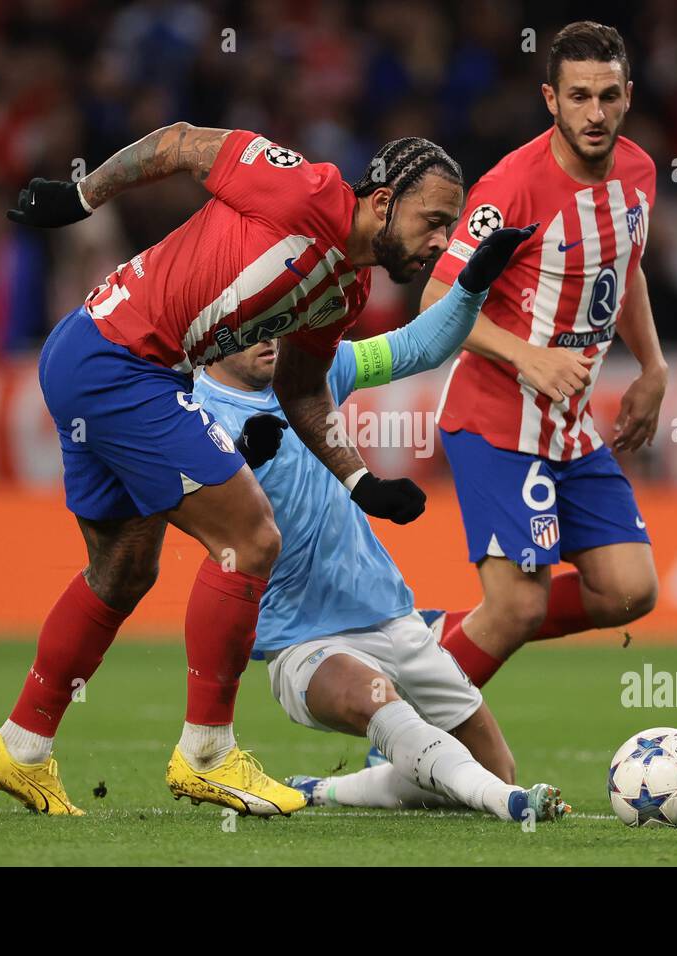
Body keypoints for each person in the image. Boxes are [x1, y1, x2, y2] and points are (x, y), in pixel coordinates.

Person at [0, 126, 466, 816]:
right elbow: (179, 143)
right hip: (119, 364)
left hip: (105, 362)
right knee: (252, 538)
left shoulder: (343, 295)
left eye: (452, 228)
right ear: (382, 202)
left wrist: (361, 480)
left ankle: (21, 745)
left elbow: (300, 392)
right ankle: (207, 753)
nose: (442, 242)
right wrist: (83, 197)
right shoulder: (303, 188)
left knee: (123, 569)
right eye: (434, 221)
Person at [193, 223, 569, 822]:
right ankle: (512, 806)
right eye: (255, 321)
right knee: (383, 706)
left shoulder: (310, 375)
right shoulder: (190, 414)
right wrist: (234, 456)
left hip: (394, 619)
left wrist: (472, 283)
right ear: (216, 326)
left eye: (279, 318)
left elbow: (419, 345)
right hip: (303, 640)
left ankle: (328, 790)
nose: (272, 335)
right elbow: (197, 517)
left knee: (493, 764)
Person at [417, 22, 667, 690]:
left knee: (629, 591)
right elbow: (436, 301)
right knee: (519, 605)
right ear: (550, 99)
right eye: (579, 96)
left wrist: (653, 365)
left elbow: (627, 266)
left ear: (629, 95)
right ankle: (405, 729)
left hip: (569, 423)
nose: (595, 112)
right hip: (496, 417)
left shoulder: (640, 173)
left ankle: (443, 638)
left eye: (609, 96)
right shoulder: (511, 190)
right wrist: (529, 357)